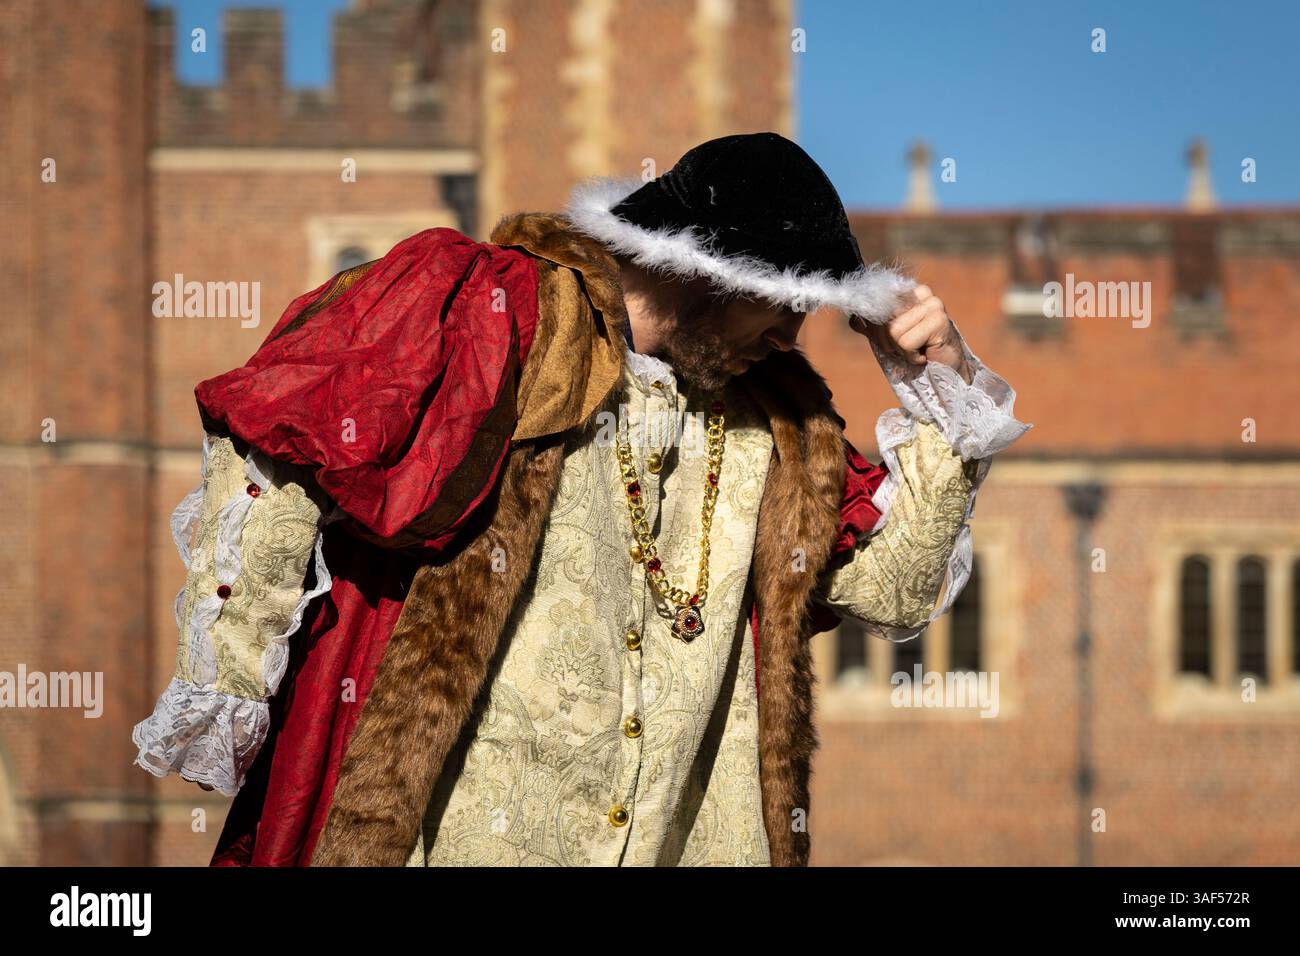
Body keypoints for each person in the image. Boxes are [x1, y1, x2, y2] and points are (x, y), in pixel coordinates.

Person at [132, 131, 1030, 866]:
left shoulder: (783, 424)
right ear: (716, 272)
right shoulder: (490, 312)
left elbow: (894, 591)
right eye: (788, 303)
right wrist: (230, 681)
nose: (794, 336)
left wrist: (941, 387)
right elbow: (282, 437)